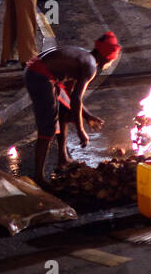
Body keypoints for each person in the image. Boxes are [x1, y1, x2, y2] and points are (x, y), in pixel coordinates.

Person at [23, 33, 119, 185]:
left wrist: (87, 116)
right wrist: (81, 131)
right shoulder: (90, 66)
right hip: (40, 77)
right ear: (107, 59)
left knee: (64, 112)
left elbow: (69, 96)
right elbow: (76, 99)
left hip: (38, 71)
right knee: (47, 129)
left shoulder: (84, 56)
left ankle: (63, 158)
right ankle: (39, 178)